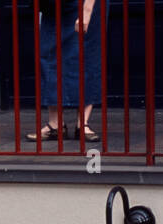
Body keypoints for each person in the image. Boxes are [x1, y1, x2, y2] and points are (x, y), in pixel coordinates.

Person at [26, 0, 104, 143]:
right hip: (54, 7)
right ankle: (55, 125)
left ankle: (83, 124)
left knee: (86, 58)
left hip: (87, 4)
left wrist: (86, 12)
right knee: (50, 57)